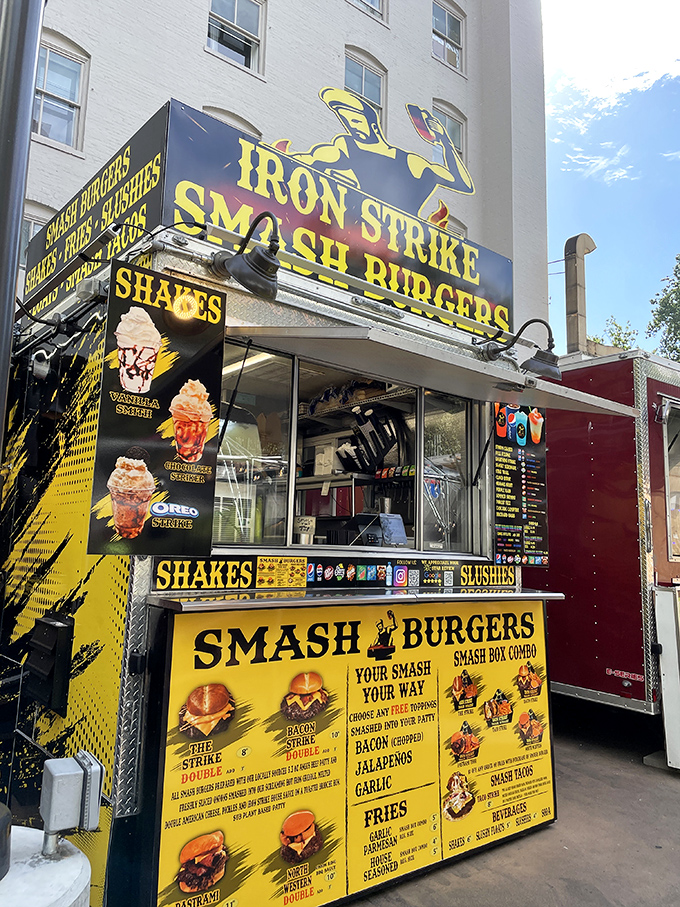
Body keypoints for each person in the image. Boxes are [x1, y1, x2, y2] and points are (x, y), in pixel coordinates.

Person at [290, 88, 474, 219]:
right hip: (365, 243)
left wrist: (444, 141)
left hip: (408, 252)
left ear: (374, 126)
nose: (351, 126)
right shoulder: (347, 149)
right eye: (346, 120)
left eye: (355, 120)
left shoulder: (410, 163)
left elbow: (463, 184)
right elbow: (309, 159)